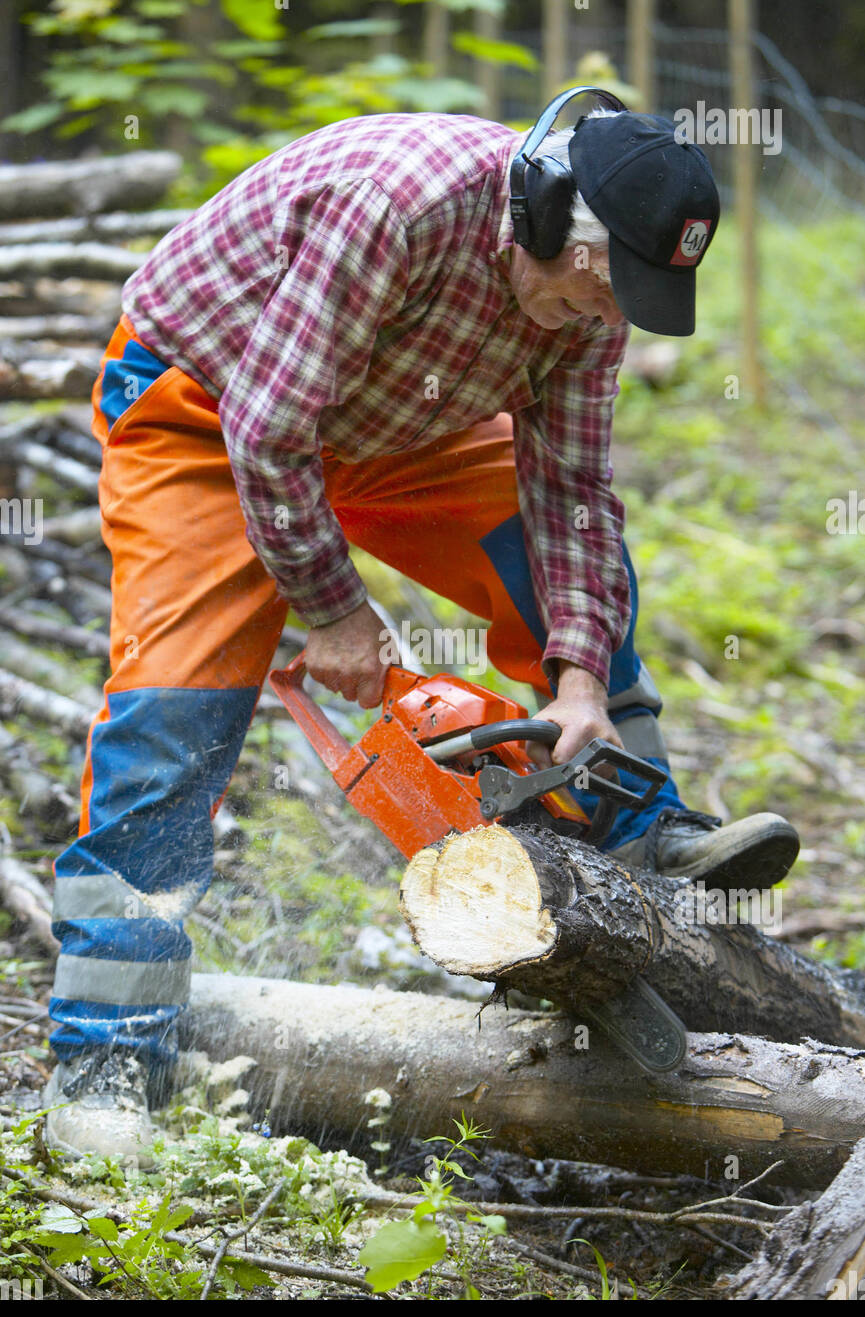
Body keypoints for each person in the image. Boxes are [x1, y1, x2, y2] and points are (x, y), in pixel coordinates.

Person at [42, 98, 799, 1161]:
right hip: (211, 411)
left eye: (616, 298)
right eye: (591, 287)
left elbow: (572, 487)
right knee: (176, 709)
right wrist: (336, 609)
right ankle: (106, 1054)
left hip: (400, 424)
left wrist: (580, 675)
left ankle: (640, 828)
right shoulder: (397, 204)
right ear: (545, 215)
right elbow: (269, 428)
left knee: (569, 576)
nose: (598, 315)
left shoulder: (599, 285)